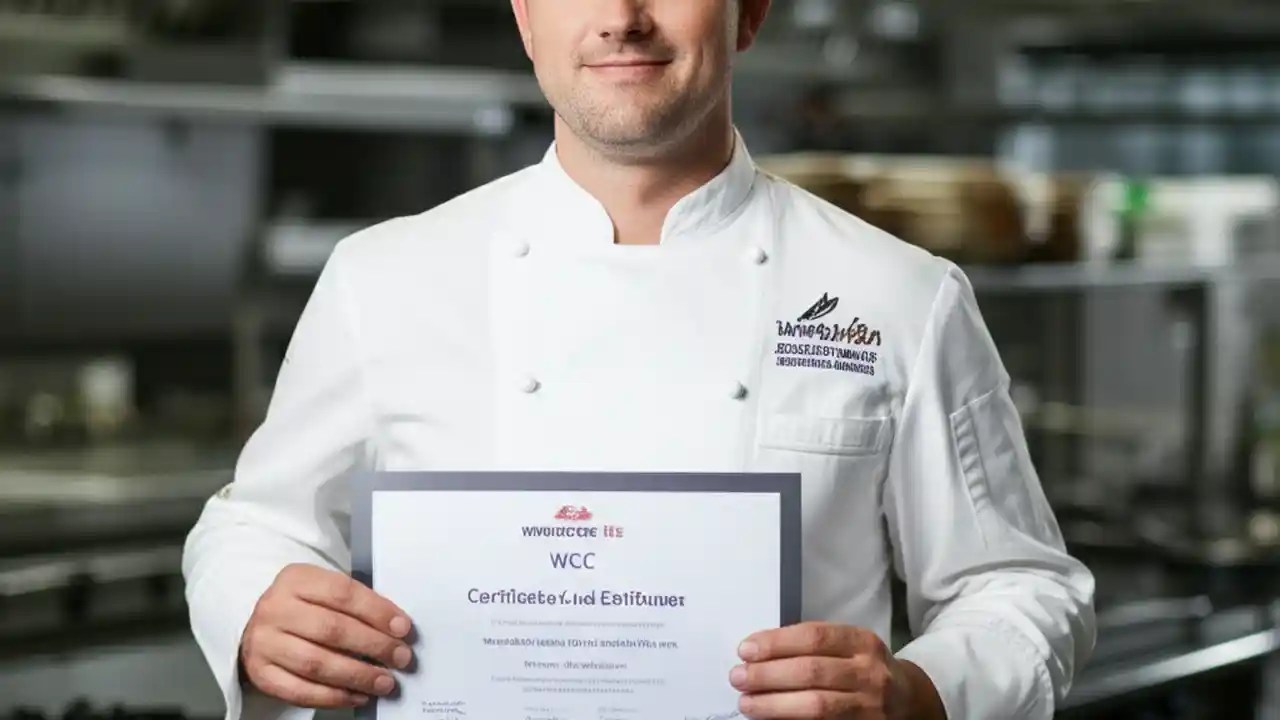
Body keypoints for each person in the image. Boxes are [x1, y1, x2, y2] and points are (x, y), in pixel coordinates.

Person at [182, 1, 1096, 718]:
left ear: (749, 12)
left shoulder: (898, 294)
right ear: (524, 14)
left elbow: (1021, 589)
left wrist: (918, 693)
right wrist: (259, 607)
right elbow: (251, 527)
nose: (623, 14)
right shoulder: (383, 278)